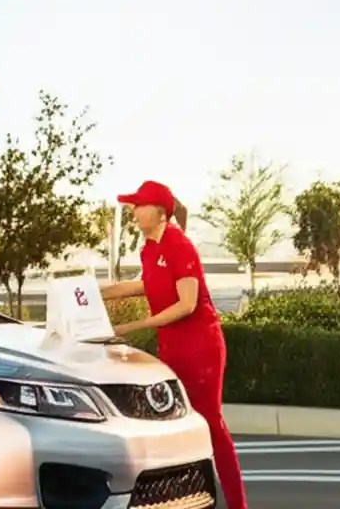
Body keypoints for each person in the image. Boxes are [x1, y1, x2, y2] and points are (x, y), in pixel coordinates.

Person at [103, 180, 247, 509]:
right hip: (170, 348)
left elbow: (187, 304)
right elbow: (147, 284)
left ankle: (238, 504)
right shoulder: (149, 249)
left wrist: (132, 326)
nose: (134, 212)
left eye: (138, 206)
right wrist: (95, 292)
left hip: (201, 348)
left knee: (210, 423)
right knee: (175, 425)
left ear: (159, 211)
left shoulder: (180, 245)